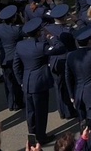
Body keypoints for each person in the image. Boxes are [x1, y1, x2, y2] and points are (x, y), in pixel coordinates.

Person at [15, 17, 62, 145]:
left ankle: (32, 134)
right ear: (38, 33)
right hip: (40, 83)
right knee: (40, 111)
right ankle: (41, 137)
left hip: (27, 82)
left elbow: (16, 65)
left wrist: (21, 81)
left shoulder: (20, 45)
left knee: (30, 112)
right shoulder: (41, 46)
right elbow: (59, 48)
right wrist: (51, 37)